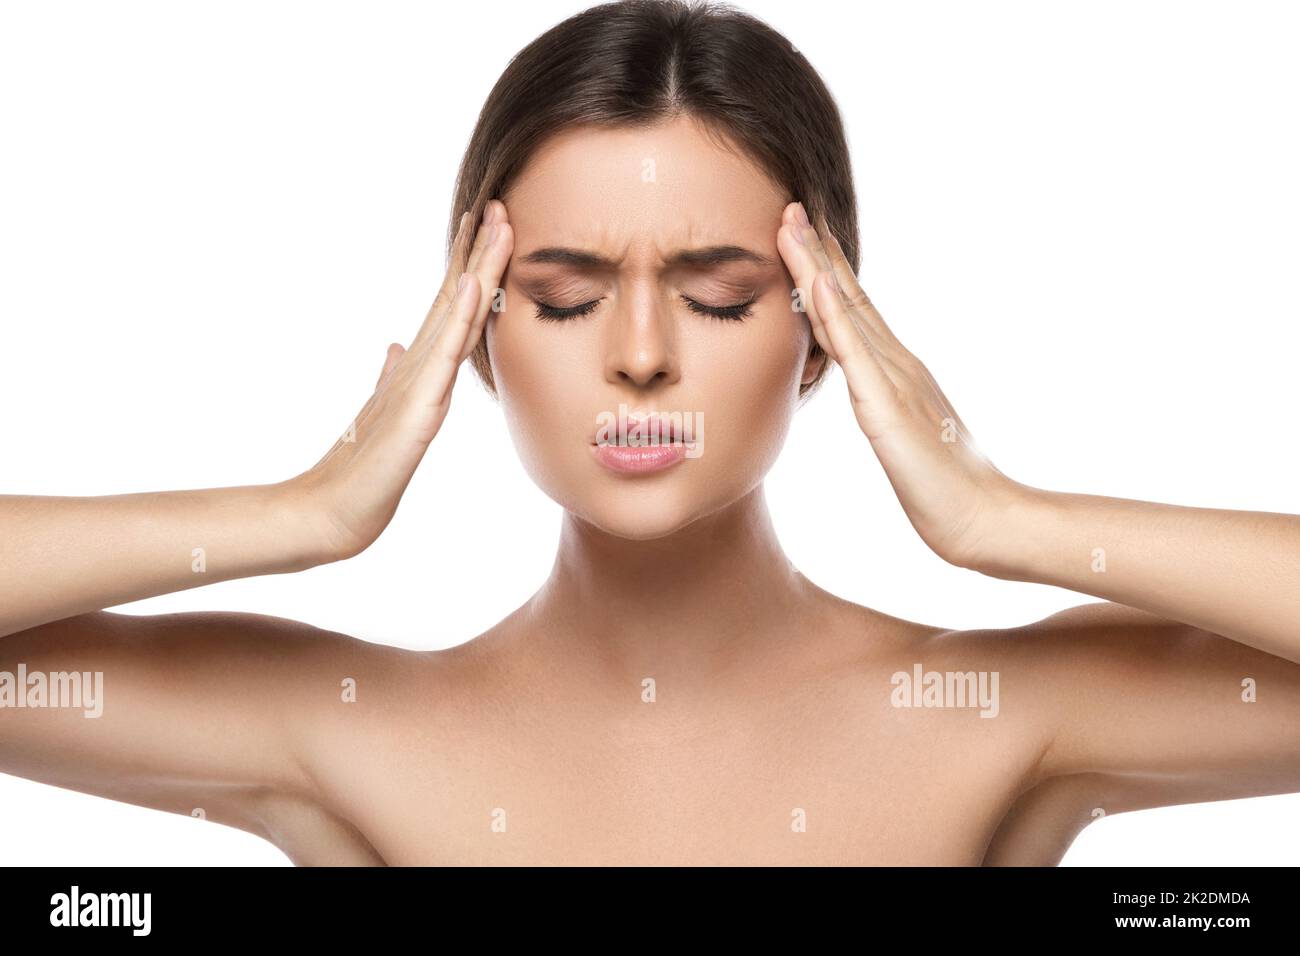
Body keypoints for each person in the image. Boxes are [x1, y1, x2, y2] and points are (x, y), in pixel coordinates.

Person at [3, 0, 1299, 866]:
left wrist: (1008, 519)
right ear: (477, 335)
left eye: (719, 297)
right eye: (563, 299)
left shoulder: (1004, 716)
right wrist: (304, 512)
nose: (637, 355)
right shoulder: (352, 730)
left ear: (823, 333)